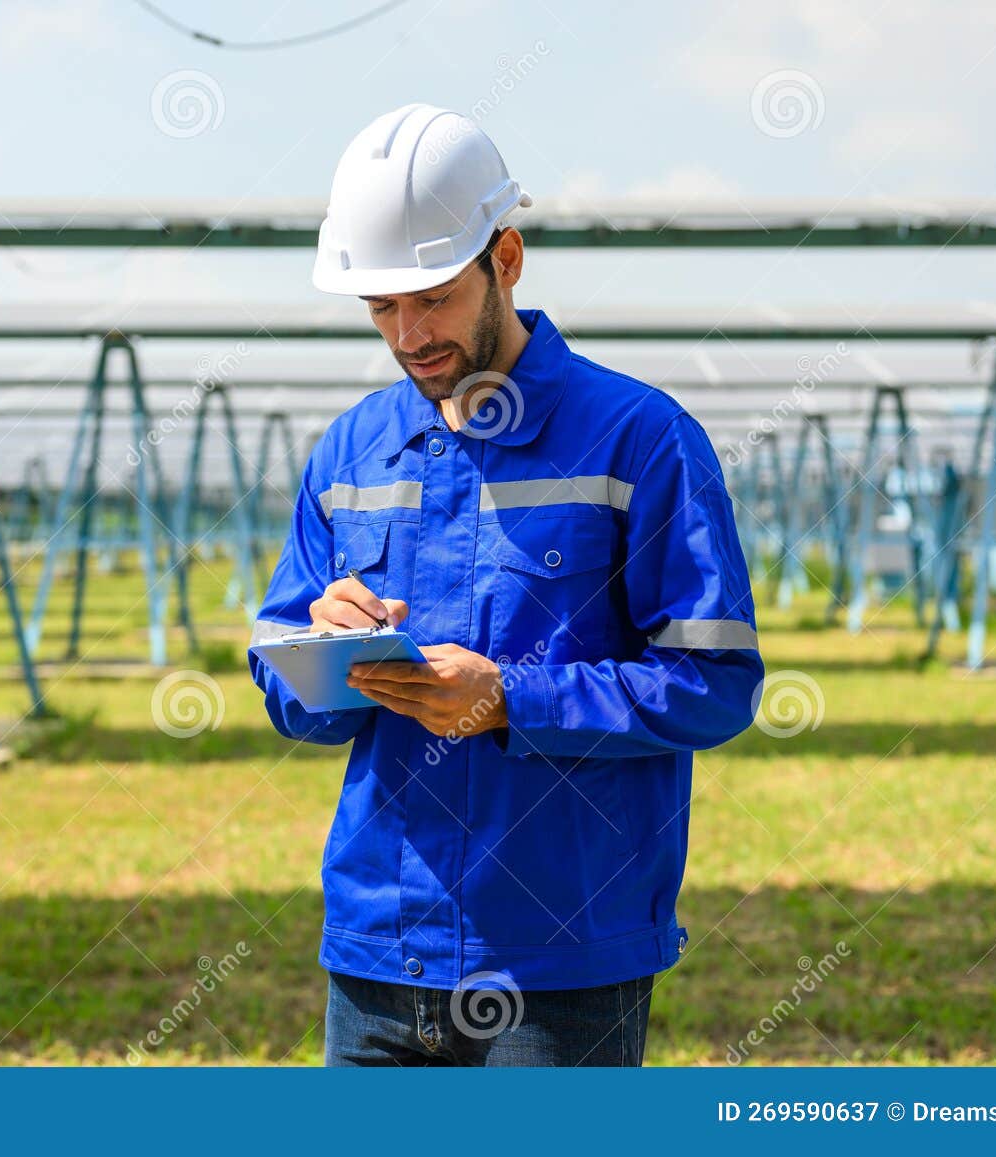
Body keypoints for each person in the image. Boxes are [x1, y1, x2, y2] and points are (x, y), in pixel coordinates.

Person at [248, 104, 764, 1067]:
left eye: (433, 298)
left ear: (507, 258)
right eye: (382, 309)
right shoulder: (351, 448)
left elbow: (715, 683)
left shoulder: (640, 440)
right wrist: (319, 652)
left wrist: (506, 700)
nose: (410, 335)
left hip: (560, 959)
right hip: (379, 946)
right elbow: (288, 692)